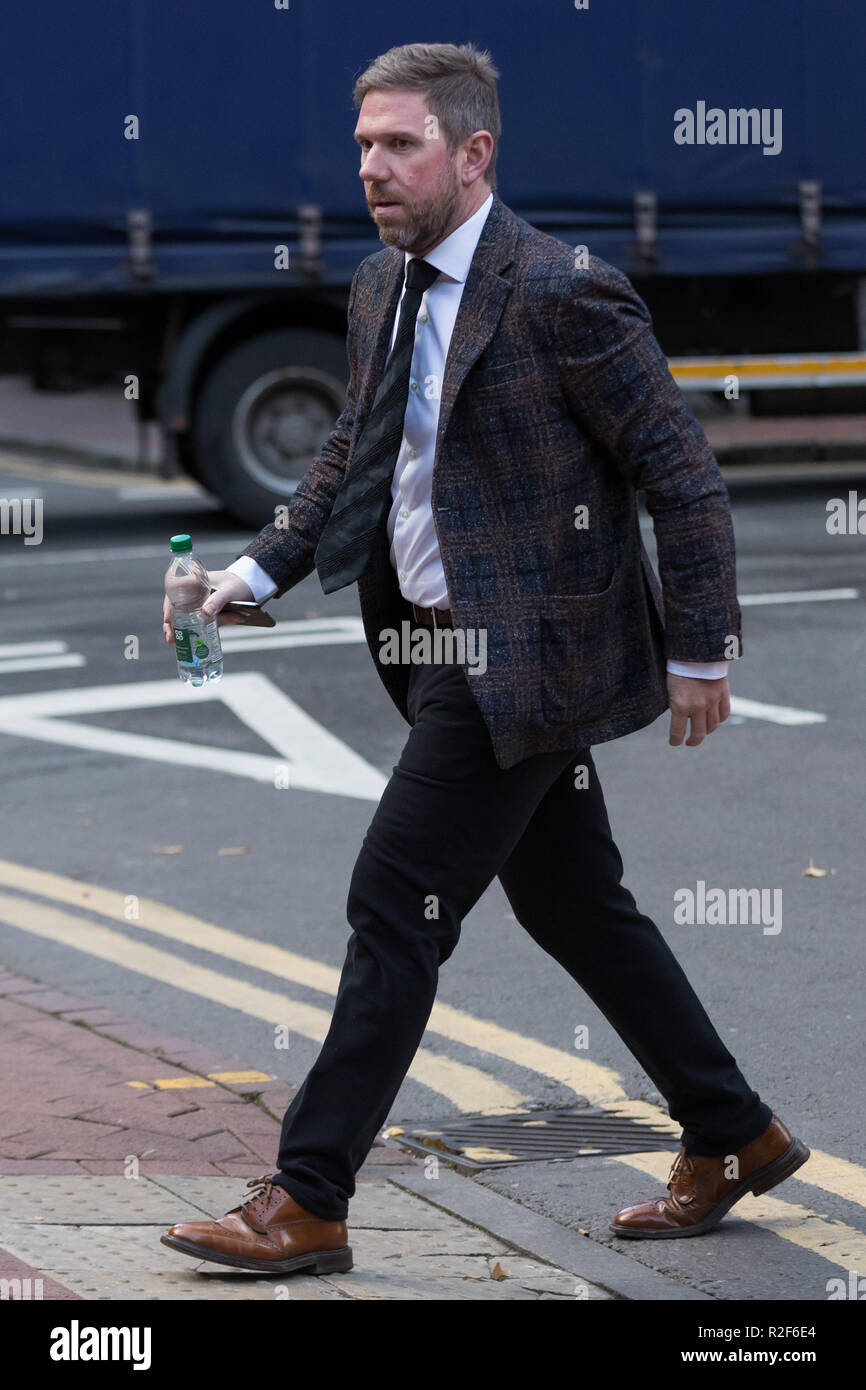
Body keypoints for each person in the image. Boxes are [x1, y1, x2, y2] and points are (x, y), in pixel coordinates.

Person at [160, 42, 807, 1275]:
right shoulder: (379, 285)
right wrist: (250, 576)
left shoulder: (561, 291)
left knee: (391, 903)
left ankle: (309, 1197)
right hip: (434, 648)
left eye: (399, 144)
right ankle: (731, 1129)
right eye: (362, 146)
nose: (372, 168)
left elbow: (679, 472)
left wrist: (700, 649)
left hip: (524, 661)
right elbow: (353, 452)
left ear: (473, 154)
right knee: (575, 903)